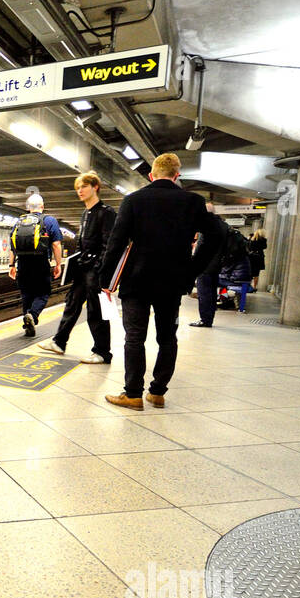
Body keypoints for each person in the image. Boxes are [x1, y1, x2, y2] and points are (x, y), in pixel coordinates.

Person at [98, 152, 223, 410]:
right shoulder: (193, 201)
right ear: (177, 176)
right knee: (167, 337)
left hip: (137, 280)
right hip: (173, 281)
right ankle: (157, 393)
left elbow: (116, 242)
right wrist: (193, 269)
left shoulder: (133, 200)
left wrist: (105, 277)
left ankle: (132, 394)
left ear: (151, 175)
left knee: (134, 337)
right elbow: (217, 234)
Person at [36, 171, 116, 363]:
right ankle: (59, 342)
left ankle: (102, 352)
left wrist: (99, 268)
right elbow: (82, 243)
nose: (80, 191)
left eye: (84, 187)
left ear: (95, 187)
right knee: (72, 304)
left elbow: (109, 244)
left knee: (96, 311)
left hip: (95, 271)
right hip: (83, 268)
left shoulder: (106, 212)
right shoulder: (85, 213)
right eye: (78, 188)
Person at [7, 193, 63, 338]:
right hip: (40, 262)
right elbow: (56, 245)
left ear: (28, 208)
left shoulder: (19, 222)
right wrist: (58, 264)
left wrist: (11, 265)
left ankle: (28, 324)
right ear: (42, 206)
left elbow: (12, 246)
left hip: (23, 263)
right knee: (43, 293)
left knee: (26, 294)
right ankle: (32, 315)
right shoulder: (49, 220)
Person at [190, 209, 239, 328]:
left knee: (204, 293)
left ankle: (205, 319)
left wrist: (194, 264)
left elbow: (200, 246)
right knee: (212, 292)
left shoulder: (207, 226)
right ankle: (209, 317)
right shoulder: (224, 226)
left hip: (206, 265)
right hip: (218, 265)